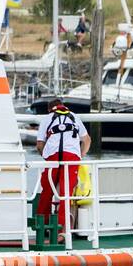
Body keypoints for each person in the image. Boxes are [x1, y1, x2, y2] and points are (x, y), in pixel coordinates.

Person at [35, 99, 91, 233]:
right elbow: (87, 140)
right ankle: (61, 230)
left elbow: (39, 144)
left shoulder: (47, 118)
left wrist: (45, 156)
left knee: (47, 190)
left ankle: (42, 225)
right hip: (71, 157)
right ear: (63, 106)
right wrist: (81, 155)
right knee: (66, 193)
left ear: (50, 109)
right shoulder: (74, 117)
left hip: (53, 156)